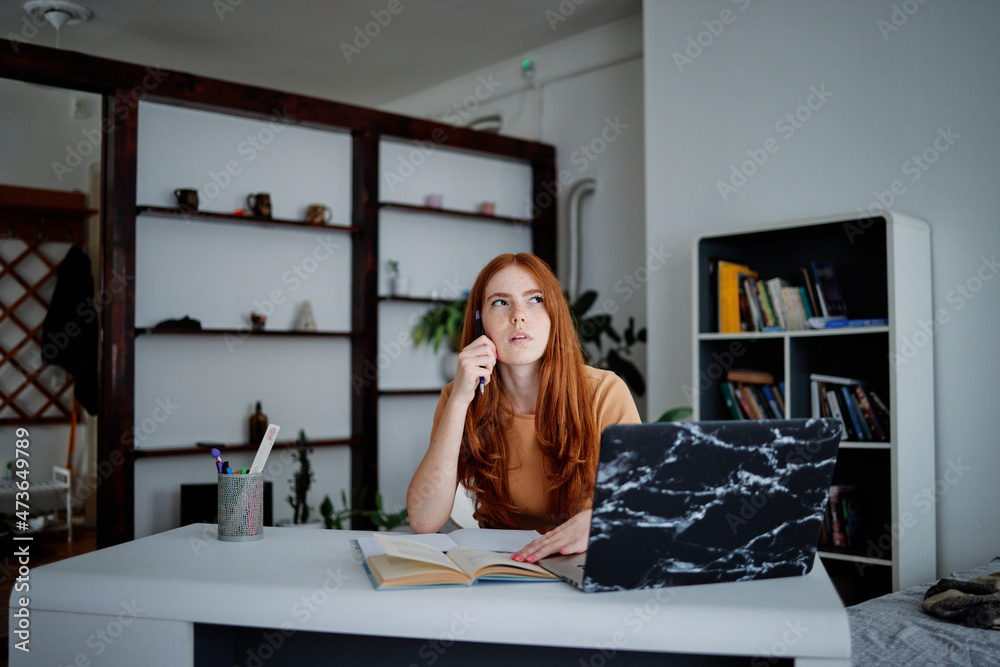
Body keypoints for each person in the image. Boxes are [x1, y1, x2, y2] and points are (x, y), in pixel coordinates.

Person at [407, 253, 640, 563]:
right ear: (480, 322)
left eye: (535, 300)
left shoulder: (605, 392)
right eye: (500, 302)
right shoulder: (458, 397)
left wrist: (600, 521)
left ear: (554, 315)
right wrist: (461, 400)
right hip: (502, 566)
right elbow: (424, 520)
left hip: (584, 562)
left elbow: (643, 505)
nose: (518, 316)